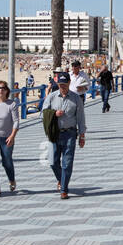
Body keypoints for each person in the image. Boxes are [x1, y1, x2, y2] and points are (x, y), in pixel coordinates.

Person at [43, 71, 86, 199]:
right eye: (60, 84)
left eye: (65, 84)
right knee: (52, 162)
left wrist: (82, 135)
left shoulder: (76, 98)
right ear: (57, 84)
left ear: (69, 83)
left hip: (70, 133)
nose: (62, 86)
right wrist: (54, 114)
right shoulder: (51, 97)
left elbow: (80, 117)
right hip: (55, 133)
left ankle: (64, 189)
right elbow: (42, 114)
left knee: (67, 163)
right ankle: (61, 179)